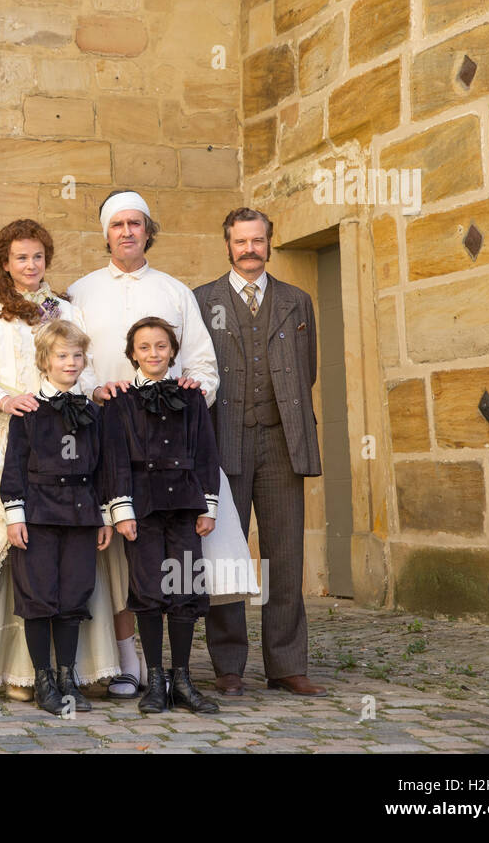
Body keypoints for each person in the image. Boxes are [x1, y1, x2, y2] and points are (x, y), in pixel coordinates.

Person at [0, 218, 120, 697]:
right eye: (21, 257)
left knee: (62, 561)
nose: (30, 265)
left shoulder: (62, 308)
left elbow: (78, 366)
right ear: (5, 262)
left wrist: (90, 396)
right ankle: (14, 670)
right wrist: (4, 400)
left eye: (38, 257)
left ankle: (65, 671)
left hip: (61, 435)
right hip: (4, 429)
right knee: (8, 546)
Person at [67, 189, 220, 699]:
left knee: (173, 568)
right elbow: (72, 355)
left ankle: (174, 671)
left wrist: (193, 393)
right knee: (116, 560)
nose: (127, 232)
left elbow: (200, 359)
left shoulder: (176, 291)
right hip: (108, 438)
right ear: (106, 233)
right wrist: (94, 391)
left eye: (136, 223)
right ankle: (126, 661)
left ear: (148, 230)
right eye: (118, 225)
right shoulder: (81, 291)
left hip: (174, 456)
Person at [194, 207, 328, 697]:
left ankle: (287, 664)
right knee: (226, 556)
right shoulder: (202, 299)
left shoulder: (297, 301)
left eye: (257, 241)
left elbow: (304, 370)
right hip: (223, 440)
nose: (249, 249)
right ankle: (228, 666)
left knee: (284, 555)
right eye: (240, 242)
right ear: (227, 244)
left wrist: (282, 413)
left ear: (270, 243)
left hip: (281, 439)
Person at [102, 317, 221, 715]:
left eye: (161, 346)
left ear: (172, 350)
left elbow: (206, 452)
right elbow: (114, 459)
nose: (153, 354)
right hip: (143, 506)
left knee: (185, 588)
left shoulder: (191, 397)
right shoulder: (120, 402)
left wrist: (209, 505)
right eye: (144, 347)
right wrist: (121, 510)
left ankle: (182, 679)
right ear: (132, 354)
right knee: (150, 590)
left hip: (185, 505)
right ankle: (155, 680)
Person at [0, 320, 111, 715]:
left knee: (73, 596)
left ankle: (68, 677)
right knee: (39, 596)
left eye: (77, 355)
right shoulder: (27, 411)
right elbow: (13, 466)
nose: (71, 362)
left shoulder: (94, 413)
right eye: (62, 355)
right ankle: (43, 678)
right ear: (45, 361)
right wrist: (16, 516)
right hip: (39, 514)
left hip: (81, 514)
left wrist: (105, 518)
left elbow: (103, 468)